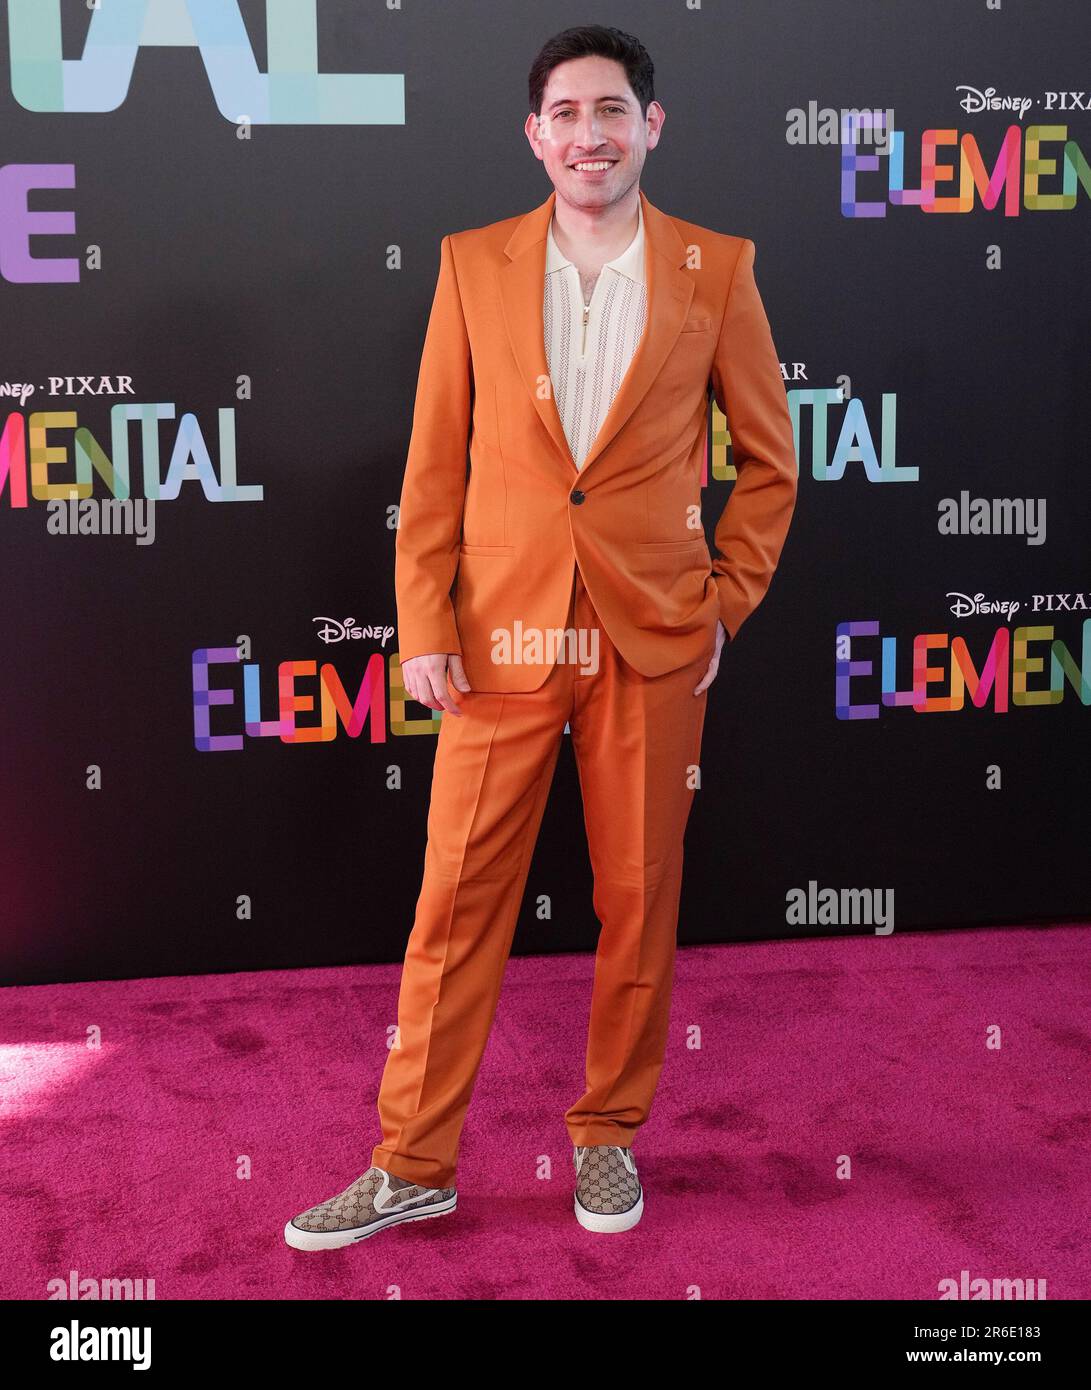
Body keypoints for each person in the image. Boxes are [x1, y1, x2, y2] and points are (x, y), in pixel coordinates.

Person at [286, 23, 797, 1252]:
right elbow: (433, 462)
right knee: (453, 903)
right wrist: (420, 625)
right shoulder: (470, 266)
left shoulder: (714, 269)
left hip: (653, 637)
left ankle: (607, 1136)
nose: (588, 135)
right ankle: (412, 1161)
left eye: (611, 111)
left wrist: (720, 602)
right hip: (496, 641)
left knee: (637, 898)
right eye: (565, 114)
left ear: (650, 126)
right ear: (535, 135)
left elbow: (771, 465)